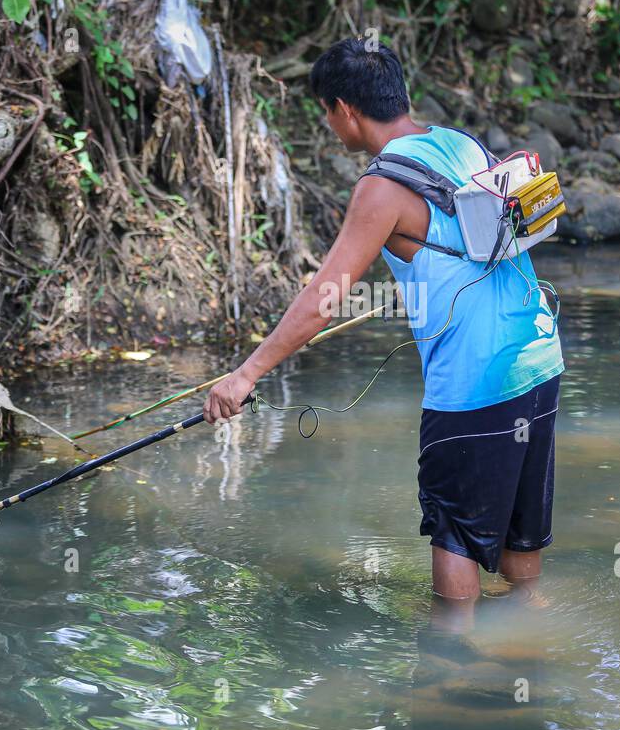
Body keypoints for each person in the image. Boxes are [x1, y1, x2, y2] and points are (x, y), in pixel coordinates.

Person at [203, 38, 563, 603]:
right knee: (521, 540)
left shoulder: (381, 187)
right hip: (539, 357)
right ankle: (529, 644)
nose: (329, 123)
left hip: (476, 382)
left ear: (345, 109)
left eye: (326, 111)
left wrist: (245, 375)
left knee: (456, 536)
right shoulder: (459, 142)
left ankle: (449, 671)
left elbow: (325, 298)